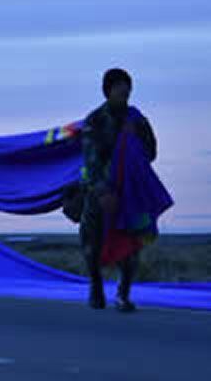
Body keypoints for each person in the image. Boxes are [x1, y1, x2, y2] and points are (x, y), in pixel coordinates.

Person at [80, 68, 158, 313]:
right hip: (100, 192)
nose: (124, 91)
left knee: (130, 243)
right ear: (108, 91)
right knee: (92, 242)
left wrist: (135, 140)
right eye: (119, 87)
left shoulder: (137, 120)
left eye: (127, 87)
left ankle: (123, 294)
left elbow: (151, 153)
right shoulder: (95, 120)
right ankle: (96, 286)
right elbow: (90, 160)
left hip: (129, 192)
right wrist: (102, 191)